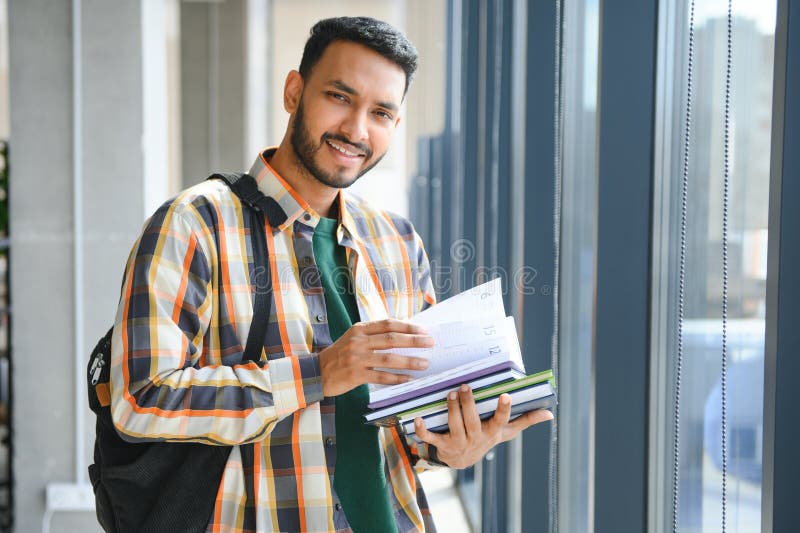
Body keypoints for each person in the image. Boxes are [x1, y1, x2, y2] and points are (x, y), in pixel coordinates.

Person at [109, 16, 553, 533]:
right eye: (340, 97)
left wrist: (453, 445)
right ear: (294, 91)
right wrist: (319, 373)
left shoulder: (396, 239)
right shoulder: (193, 225)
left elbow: (407, 424)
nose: (356, 130)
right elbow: (139, 400)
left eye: (381, 112)